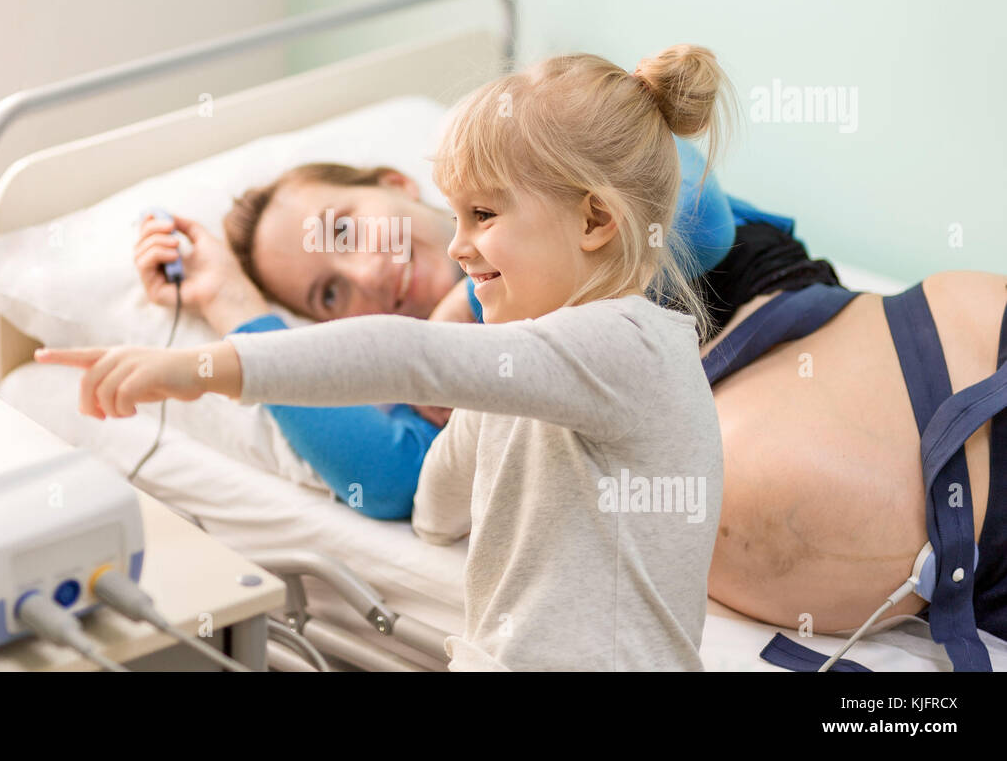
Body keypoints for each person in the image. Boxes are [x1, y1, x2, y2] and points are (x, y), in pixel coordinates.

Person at [38, 44, 732, 670]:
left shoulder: (628, 347)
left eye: (484, 217)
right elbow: (434, 508)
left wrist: (198, 369)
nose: (460, 247)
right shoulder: (521, 372)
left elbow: (409, 357)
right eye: (457, 216)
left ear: (595, 221)